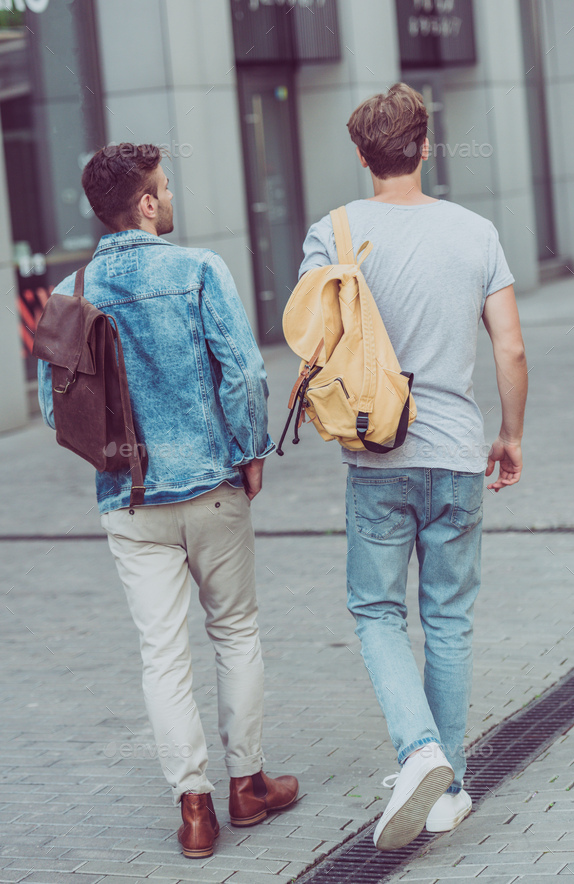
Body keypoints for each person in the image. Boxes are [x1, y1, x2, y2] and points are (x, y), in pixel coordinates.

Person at [37, 143, 298, 859]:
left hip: (129, 502)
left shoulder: (69, 293)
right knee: (235, 631)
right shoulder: (200, 270)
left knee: (163, 658)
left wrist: (114, 469)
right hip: (213, 486)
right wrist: (248, 452)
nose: (170, 194)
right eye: (165, 186)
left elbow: (54, 406)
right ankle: (248, 786)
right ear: (147, 203)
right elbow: (243, 373)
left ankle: (194, 810)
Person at [299, 84, 527, 851]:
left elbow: (307, 341)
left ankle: (418, 750)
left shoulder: (332, 232)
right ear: (425, 147)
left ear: (362, 155)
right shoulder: (476, 231)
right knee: (450, 619)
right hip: (460, 452)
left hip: (377, 454)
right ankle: (448, 788)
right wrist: (512, 434)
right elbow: (510, 346)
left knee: (375, 612)